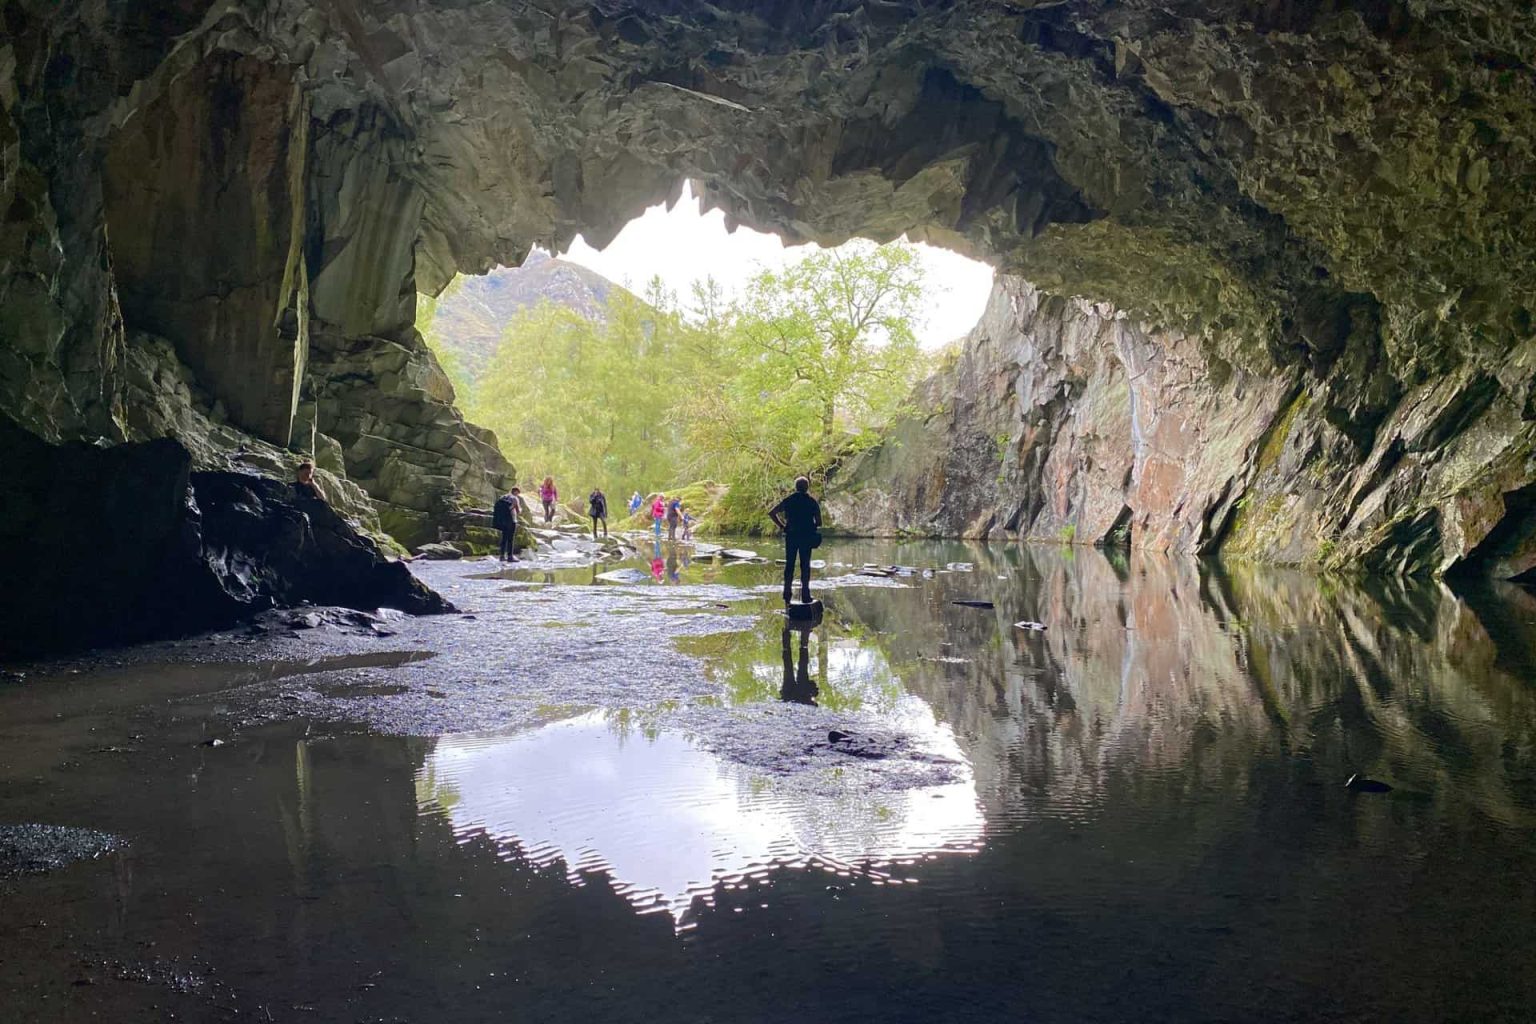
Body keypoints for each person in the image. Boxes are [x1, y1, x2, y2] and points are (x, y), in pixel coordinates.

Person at [769, 475, 822, 604]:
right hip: (806, 537)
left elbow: (772, 513)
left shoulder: (789, 500)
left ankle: (787, 594)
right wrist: (812, 526)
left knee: (789, 565)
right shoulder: (812, 502)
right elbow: (819, 522)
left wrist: (782, 526)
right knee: (805, 566)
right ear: (807, 487)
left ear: (796, 487)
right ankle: (805, 595)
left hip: (791, 536)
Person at [492, 486, 521, 563]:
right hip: (511, 520)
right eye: (518, 493)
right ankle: (510, 556)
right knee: (510, 539)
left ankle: (501, 556)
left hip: (502, 520)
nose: (518, 495)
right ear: (516, 492)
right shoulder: (514, 498)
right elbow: (518, 511)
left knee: (504, 538)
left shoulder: (503, 497)